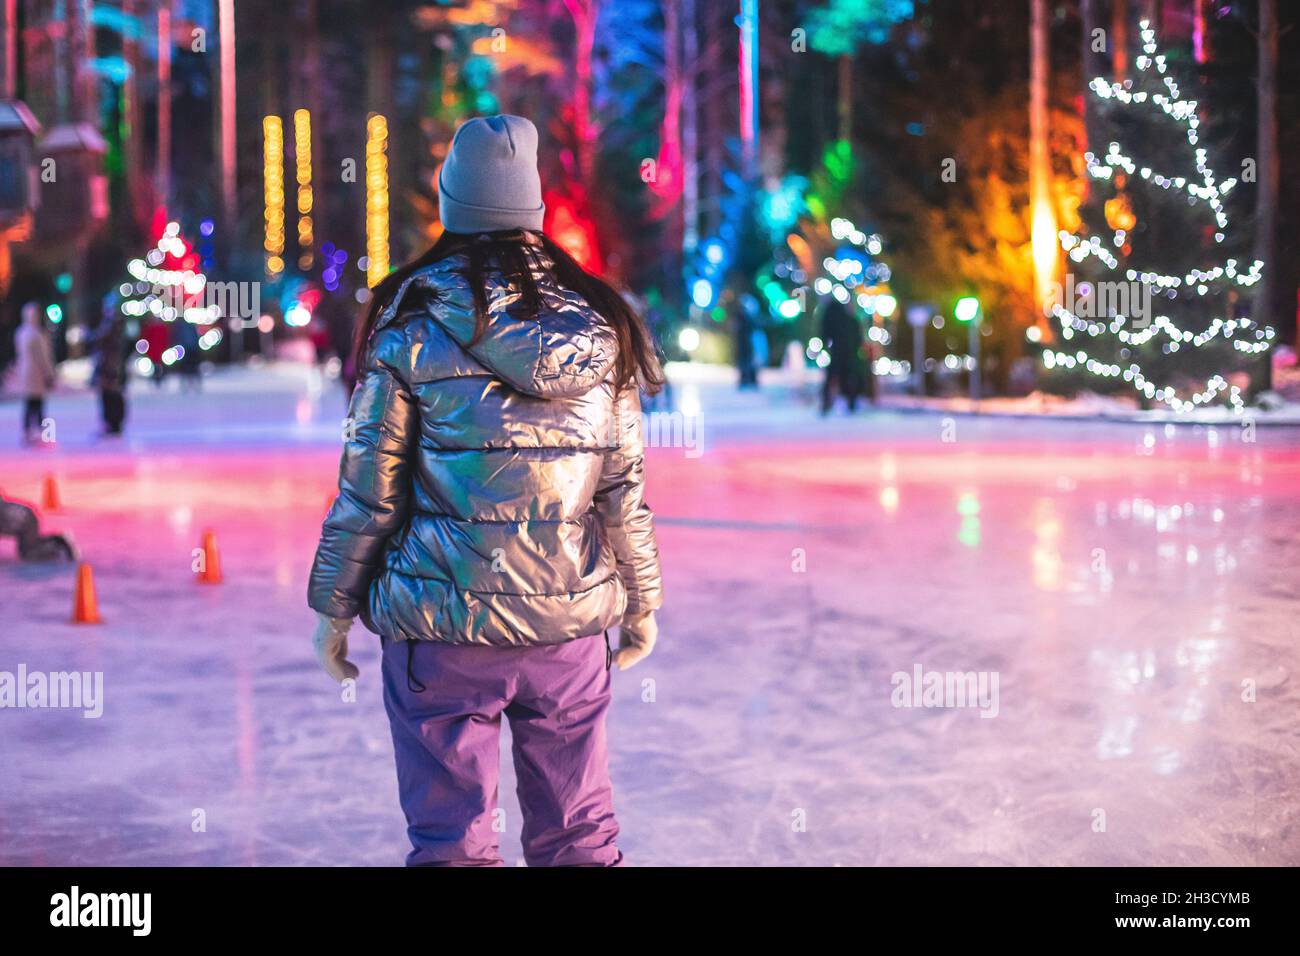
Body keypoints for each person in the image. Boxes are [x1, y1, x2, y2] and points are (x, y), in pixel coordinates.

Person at [307, 115, 665, 867]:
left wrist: (334, 608)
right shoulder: (604, 326)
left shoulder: (405, 324)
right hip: (565, 629)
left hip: (440, 627)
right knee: (578, 837)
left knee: (452, 846)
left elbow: (368, 494)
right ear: (532, 210)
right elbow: (621, 491)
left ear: (452, 208)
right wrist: (642, 603)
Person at [14, 302, 56, 443]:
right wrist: (49, 373)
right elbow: (43, 357)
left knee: (29, 403)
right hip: (36, 373)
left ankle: (28, 431)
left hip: (26, 372)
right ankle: (39, 431)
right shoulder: (37, 334)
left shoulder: (20, 333)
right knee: (38, 403)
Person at [819, 297, 868, 414]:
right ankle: (851, 403)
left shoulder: (831, 318)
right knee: (850, 378)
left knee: (832, 377)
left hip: (837, 353)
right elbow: (859, 339)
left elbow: (825, 334)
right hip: (850, 355)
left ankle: (827, 403)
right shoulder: (852, 320)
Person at [91, 295, 129, 436]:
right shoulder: (114, 324)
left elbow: (100, 339)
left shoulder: (112, 324)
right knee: (110, 396)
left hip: (111, 368)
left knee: (111, 396)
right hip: (110, 367)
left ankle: (113, 424)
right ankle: (112, 424)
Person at [0, 493, 76, 561]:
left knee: (29, 553)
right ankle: (56, 542)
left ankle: (58, 543)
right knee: (30, 549)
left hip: (25, 521)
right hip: (23, 517)